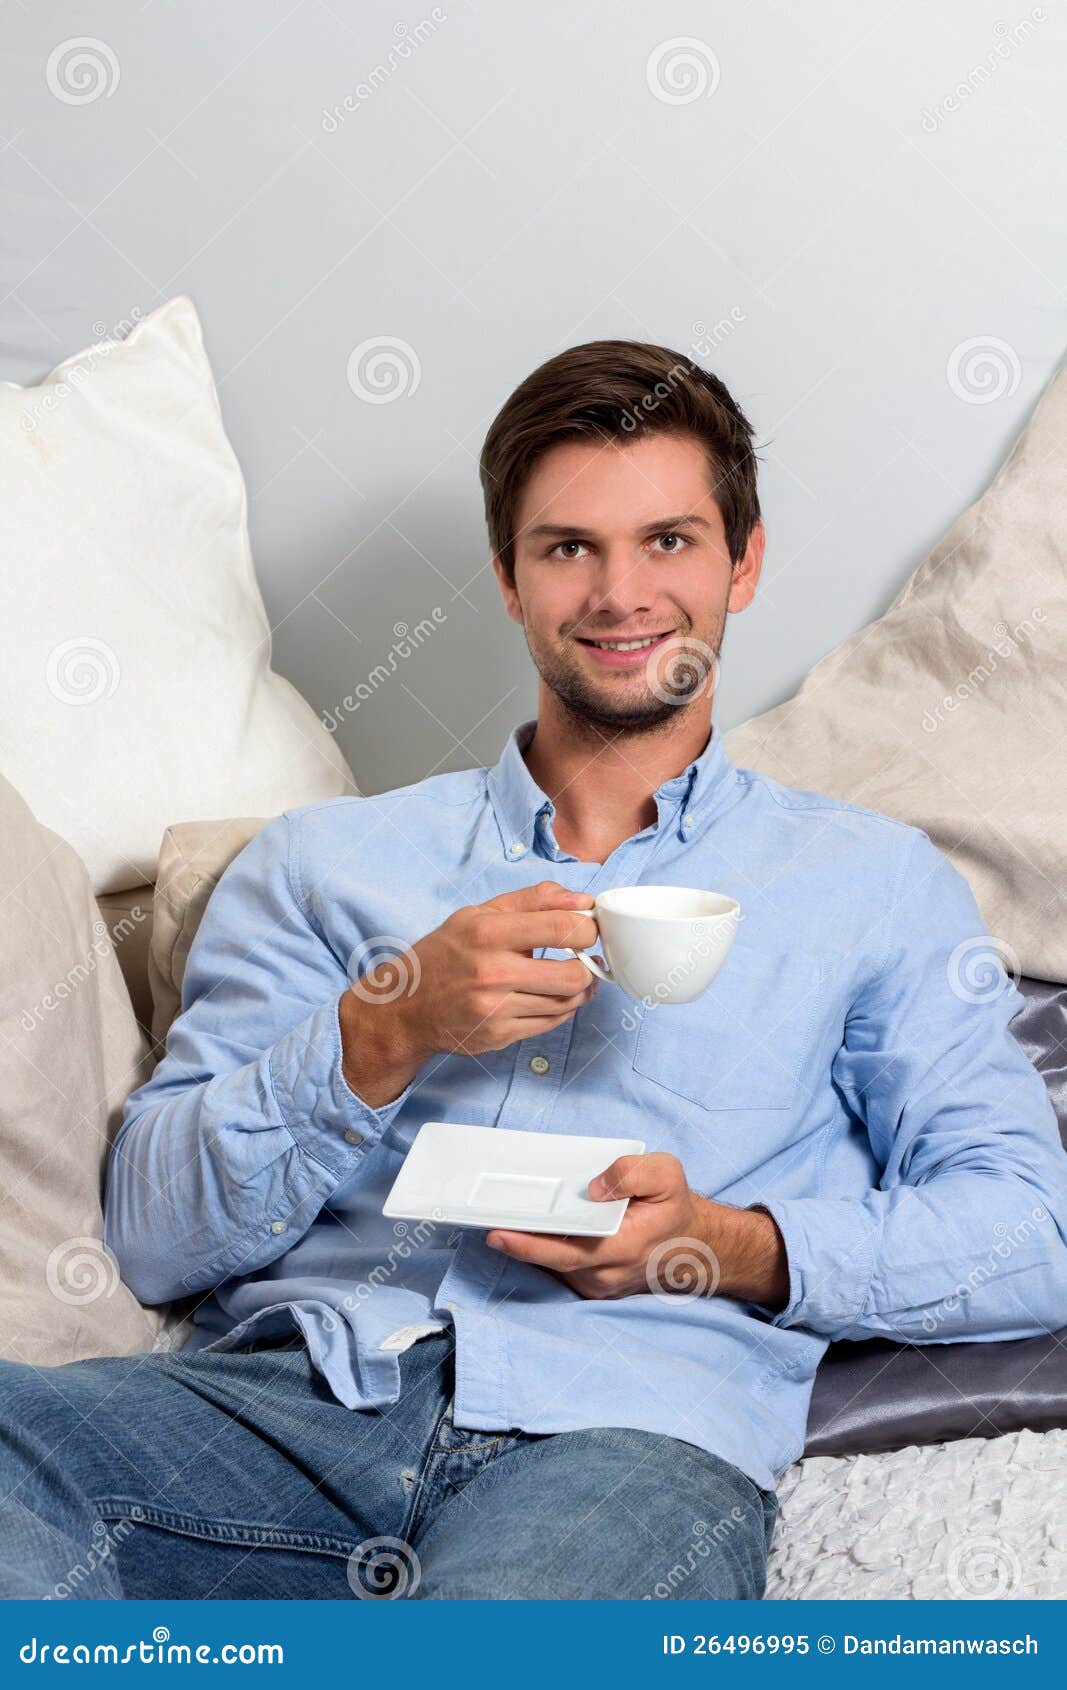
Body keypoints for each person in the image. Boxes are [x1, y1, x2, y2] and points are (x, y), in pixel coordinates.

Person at [2, 342, 1065, 1601]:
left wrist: (729, 1244)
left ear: (743, 559)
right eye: (568, 547)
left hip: (625, 1439)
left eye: (667, 540)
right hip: (292, 1402)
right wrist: (376, 1034)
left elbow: (1029, 1228)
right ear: (508, 578)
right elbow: (150, 1234)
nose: (620, 593)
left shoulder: (868, 885)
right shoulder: (320, 863)